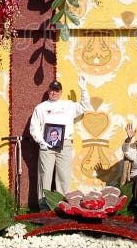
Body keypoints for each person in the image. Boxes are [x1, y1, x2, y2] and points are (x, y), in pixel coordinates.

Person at [29, 77, 91, 210]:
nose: (54, 93)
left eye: (57, 90)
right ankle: (43, 207)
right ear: (48, 91)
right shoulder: (40, 108)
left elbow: (85, 106)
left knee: (64, 176)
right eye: (52, 90)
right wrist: (40, 141)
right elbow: (34, 126)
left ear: (61, 92)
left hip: (65, 144)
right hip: (46, 145)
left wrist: (84, 89)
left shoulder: (69, 105)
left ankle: (63, 207)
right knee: (44, 175)